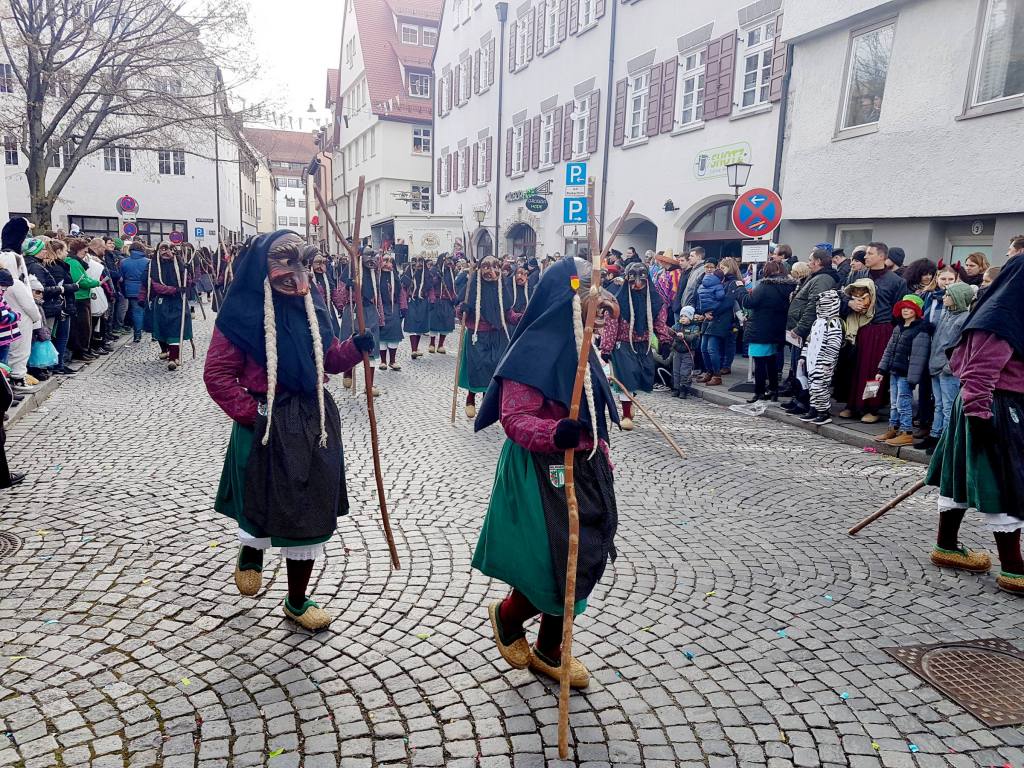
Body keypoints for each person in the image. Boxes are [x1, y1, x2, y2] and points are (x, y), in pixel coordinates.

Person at [205, 231, 377, 629]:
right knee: (261, 499)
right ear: (261, 265)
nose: (297, 273)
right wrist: (255, 413)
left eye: (304, 262)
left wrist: (354, 348)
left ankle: (297, 601)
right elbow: (217, 375)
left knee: (311, 509)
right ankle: (251, 550)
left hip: (313, 419)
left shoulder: (314, 306)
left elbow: (328, 360)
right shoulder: (240, 315)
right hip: (265, 421)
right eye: (285, 261)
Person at [472, 256, 620, 688]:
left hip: (585, 466)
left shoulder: (584, 345)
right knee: (552, 563)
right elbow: (515, 419)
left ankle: (548, 650)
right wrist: (558, 432)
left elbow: (594, 409)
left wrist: (598, 443)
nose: (597, 315)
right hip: (541, 470)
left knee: (585, 554)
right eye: (590, 305)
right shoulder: (531, 350)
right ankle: (508, 615)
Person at [925, 256, 1024, 595]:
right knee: (1002, 483)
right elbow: (978, 371)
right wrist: (980, 417)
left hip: (984, 405)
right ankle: (1014, 568)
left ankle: (946, 546)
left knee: (958, 477)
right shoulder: (1001, 317)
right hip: (990, 406)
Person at [839, 242, 909, 422]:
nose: (866, 257)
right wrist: (850, 303)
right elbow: (842, 293)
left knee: (873, 371)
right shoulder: (858, 274)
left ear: (882, 256)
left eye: (870, 254)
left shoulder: (896, 281)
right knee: (854, 369)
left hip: (880, 330)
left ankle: (871, 407)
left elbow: (898, 309)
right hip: (859, 328)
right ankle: (853, 405)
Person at [600, 262, 672, 427]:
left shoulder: (655, 301)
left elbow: (659, 323)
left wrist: (665, 341)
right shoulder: (617, 301)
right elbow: (611, 326)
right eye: (633, 278)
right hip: (623, 345)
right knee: (627, 378)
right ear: (627, 278)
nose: (638, 283)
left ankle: (629, 403)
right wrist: (606, 349)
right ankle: (626, 416)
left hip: (644, 345)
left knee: (641, 377)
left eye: (642, 278)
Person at [918, 282, 974, 453]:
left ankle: (946, 442)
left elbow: (961, 346)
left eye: (948, 295)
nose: (944, 297)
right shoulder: (947, 314)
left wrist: (949, 366)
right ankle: (936, 434)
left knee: (948, 406)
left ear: (957, 297)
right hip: (936, 365)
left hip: (948, 369)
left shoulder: (964, 318)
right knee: (939, 405)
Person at [459, 255, 513, 418]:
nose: (492, 270)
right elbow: (461, 311)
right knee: (477, 366)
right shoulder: (472, 287)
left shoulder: (501, 287)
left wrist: (522, 317)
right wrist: (463, 309)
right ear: (479, 269)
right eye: (486, 266)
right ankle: (470, 398)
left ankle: (486, 401)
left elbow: (508, 312)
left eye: (496, 266)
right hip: (478, 334)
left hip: (498, 335)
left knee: (494, 367)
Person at [873, 294, 930, 447]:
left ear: (916, 311)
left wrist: (913, 378)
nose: (906, 310)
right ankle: (893, 428)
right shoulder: (898, 328)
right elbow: (889, 349)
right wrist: (881, 369)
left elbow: (919, 357)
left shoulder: (920, 330)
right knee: (894, 402)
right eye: (903, 307)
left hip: (906, 373)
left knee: (903, 402)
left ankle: (906, 432)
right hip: (894, 370)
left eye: (909, 308)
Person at [739, 260, 796, 402]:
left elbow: (749, 302)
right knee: (771, 361)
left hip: (761, 328)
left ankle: (759, 392)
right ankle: (774, 390)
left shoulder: (764, 285)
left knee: (759, 363)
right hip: (777, 328)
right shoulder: (789, 286)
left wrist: (740, 290)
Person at [795, 290, 844, 425]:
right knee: (812, 386)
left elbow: (833, 345)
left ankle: (823, 412)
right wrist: (803, 356)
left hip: (823, 362)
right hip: (812, 360)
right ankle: (814, 409)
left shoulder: (834, 323)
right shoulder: (817, 322)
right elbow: (809, 340)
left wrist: (826, 362)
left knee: (819, 386)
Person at [142, 242, 193, 371]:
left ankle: (173, 357)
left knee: (176, 328)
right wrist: (174, 289)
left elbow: (188, 282)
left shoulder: (180, 264)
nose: (166, 252)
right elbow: (154, 285)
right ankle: (166, 350)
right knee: (162, 327)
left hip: (178, 302)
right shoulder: (152, 265)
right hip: (162, 301)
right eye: (163, 249)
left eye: (169, 249)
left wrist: (187, 277)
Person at [65, 238, 100, 363]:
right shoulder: (73, 263)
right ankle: (80, 351)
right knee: (82, 327)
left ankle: (84, 350)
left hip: (82, 296)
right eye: (84, 252)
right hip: (79, 297)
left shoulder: (76, 262)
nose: (86, 254)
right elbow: (80, 280)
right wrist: (95, 282)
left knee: (86, 326)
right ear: (78, 250)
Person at [376, 253, 406, 372]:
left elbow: (401, 292)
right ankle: (383, 361)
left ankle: (392, 361)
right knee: (382, 336)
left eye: (390, 261)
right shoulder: (376, 276)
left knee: (393, 335)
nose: (387, 264)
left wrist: (403, 307)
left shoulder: (395, 276)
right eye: (385, 260)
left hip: (393, 308)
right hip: (381, 308)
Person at [119, 241, 150, 342]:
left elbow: (121, 277)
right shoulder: (148, 261)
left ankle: (137, 335)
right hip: (146, 289)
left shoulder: (124, 262)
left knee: (137, 312)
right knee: (150, 311)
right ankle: (154, 334)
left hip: (131, 290)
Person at [402, 255, 432, 358]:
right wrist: (404, 303)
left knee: (419, 326)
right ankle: (413, 349)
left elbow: (430, 288)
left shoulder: (427, 274)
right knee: (412, 325)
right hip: (411, 301)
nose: (418, 264)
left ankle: (416, 348)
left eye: (420, 261)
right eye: (415, 261)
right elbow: (403, 288)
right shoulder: (407, 275)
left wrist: (432, 300)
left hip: (423, 301)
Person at [429, 253, 457, 354]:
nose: (450, 262)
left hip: (447, 301)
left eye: (451, 259)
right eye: (447, 259)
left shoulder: (451, 271)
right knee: (434, 322)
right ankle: (432, 344)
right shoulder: (434, 270)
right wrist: (437, 278)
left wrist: (454, 298)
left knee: (446, 323)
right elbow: (429, 284)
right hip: (436, 300)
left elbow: (453, 286)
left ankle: (440, 345)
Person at [670, 306, 700, 398]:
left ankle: (684, 389)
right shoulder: (676, 326)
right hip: (677, 352)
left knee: (685, 372)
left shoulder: (695, 328)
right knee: (676, 371)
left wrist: (684, 336)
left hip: (688, 353)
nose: (683, 318)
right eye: (681, 316)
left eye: (685, 316)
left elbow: (693, 337)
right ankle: (676, 388)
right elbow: (670, 332)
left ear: (690, 317)